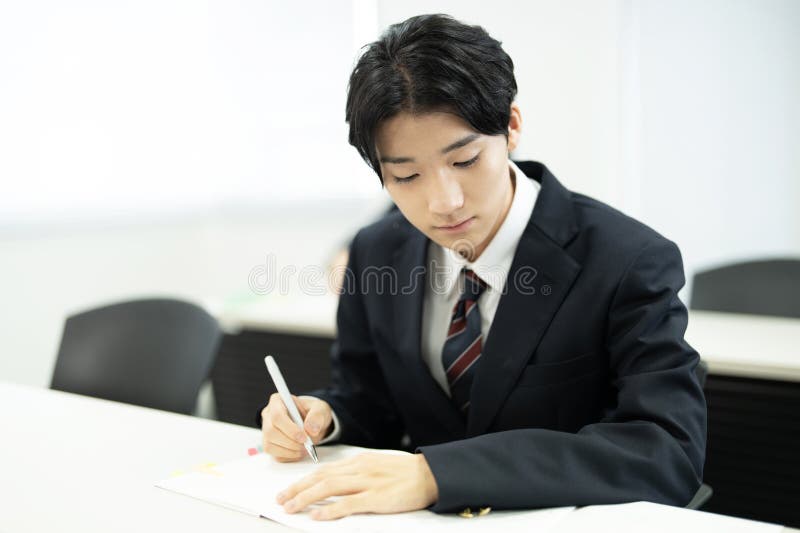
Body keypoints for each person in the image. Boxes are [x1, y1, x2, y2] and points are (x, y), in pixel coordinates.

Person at [257, 13, 706, 521]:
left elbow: (666, 450)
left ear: (511, 127)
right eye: (406, 176)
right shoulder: (376, 252)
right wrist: (326, 417)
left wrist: (439, 475)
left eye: (465, 161)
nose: (443, 202)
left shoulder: (627, 259)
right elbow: (372, 401)